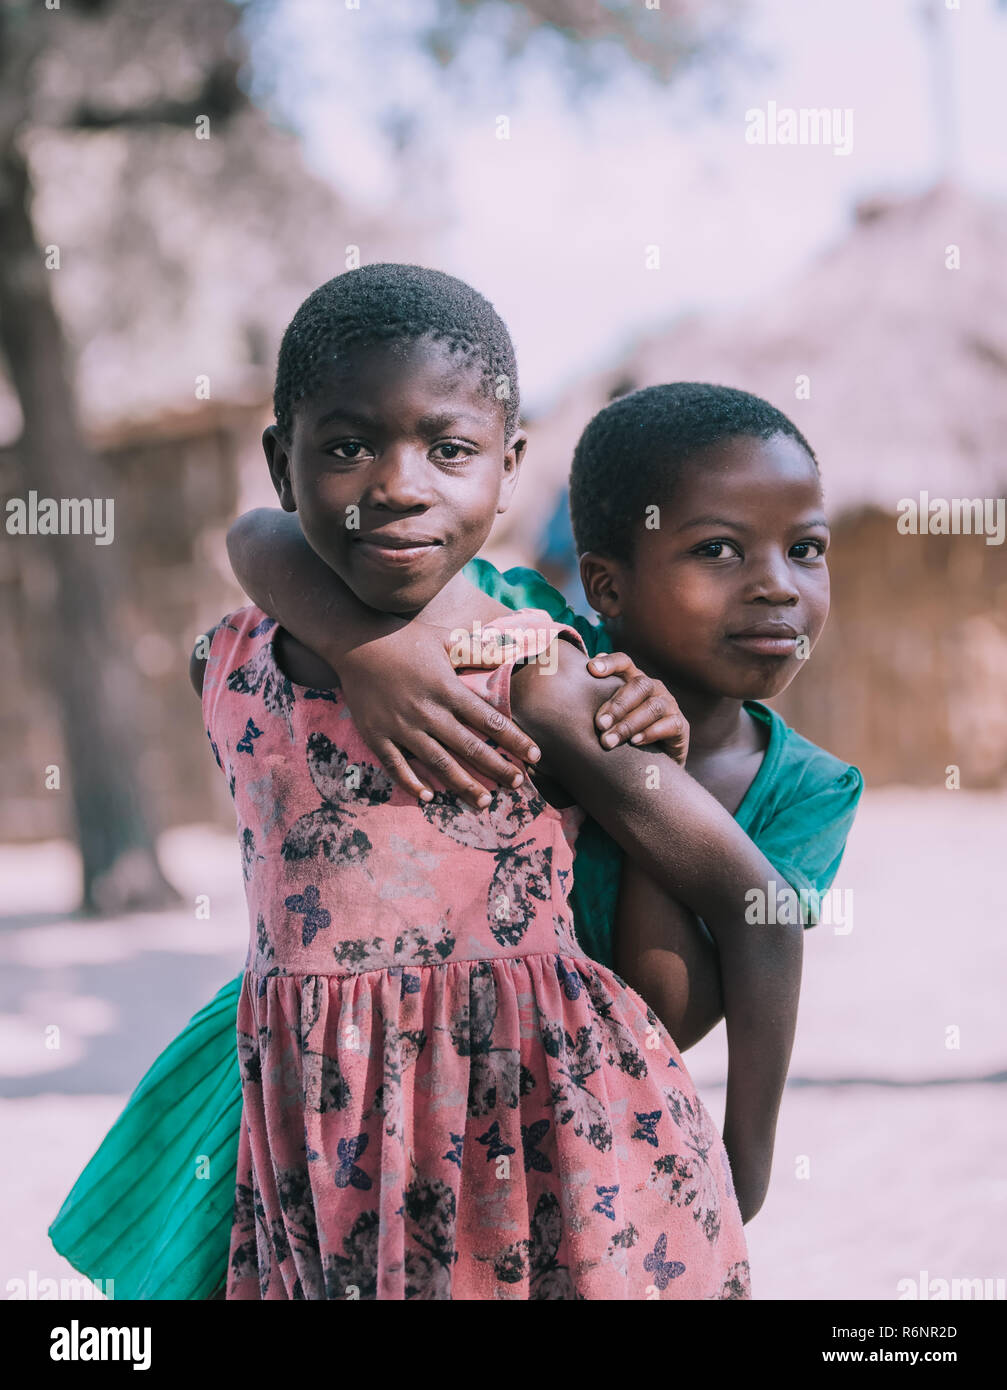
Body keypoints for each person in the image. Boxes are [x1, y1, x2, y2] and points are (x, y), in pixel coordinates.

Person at [49, 267, 801, 1300]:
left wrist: (742, 1161)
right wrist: (363, 647)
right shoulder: (225, 665)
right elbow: (253, 542)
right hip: (321, 1162)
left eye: (449, 449)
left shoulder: (531, 678)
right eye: (346, 447)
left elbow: (760, 908)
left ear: (508, 466)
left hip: (541, 1155)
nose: (399, 485)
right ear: (280, 464)